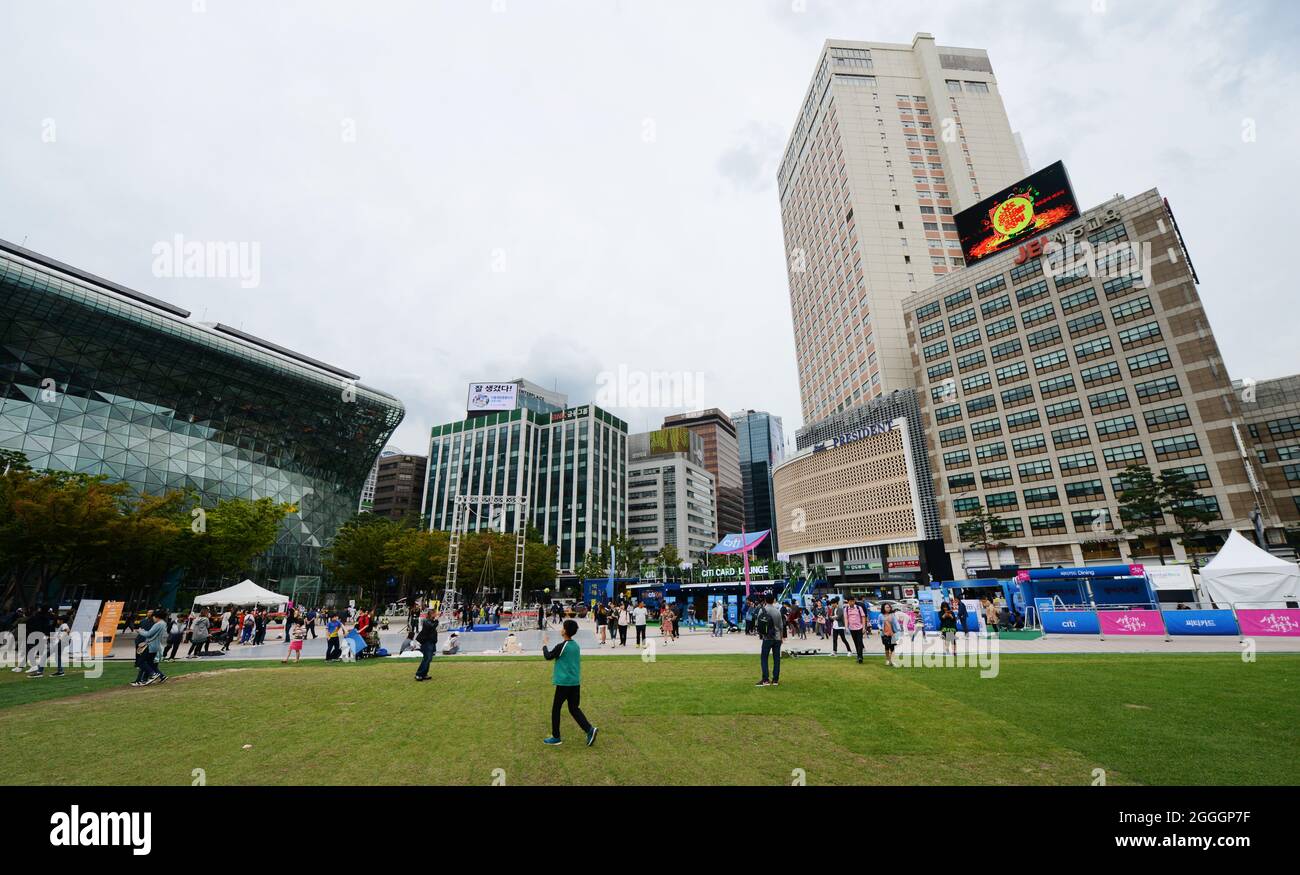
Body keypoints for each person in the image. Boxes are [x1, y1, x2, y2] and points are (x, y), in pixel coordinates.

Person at [541, 619, 597, 746]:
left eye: (562, 627)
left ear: (565, 631)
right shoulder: (575, 645)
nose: (561, 629)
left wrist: (544, 645)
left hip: (564, 684)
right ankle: (589, 730)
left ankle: (556, 737)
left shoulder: (562, 646)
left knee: (556, 709)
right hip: (575, 683)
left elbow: (548, 656)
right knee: (574, 708)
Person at [754, 593, 785, 687]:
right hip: (777, 637)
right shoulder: (777, 611)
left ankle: (765, 679)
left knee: (764, 658)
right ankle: (775, 680)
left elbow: (757, 623)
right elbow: (781, 626)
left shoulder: (762, 610)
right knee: (776, 659)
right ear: (774, 600)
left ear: (765, 600)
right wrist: (782, 637)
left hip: (767, 637)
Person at [132, 609, 169, 686]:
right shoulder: (163, 623)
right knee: (150, 663)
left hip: (151, 646)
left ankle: (153, 674)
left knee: (140, 662)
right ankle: (159, 676)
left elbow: (149, 634)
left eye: (153, 617)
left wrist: (140, 631)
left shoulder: (158, 624)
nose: (153, 619)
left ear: (156, 617)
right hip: (156, 646)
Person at [413, 610, 439, 681]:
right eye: (435, 613)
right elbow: (432, 626)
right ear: (431, 614)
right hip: (427, 642)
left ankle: (424, 674)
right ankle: (419, 674)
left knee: (428, 659)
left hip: (431, 642)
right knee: (427, 658)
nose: (436, 614)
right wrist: (436, 620)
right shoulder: (426, 621)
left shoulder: (430, 621)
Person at [844, 595, 867, 664]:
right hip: (851, 628)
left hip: (859, 628)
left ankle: (860, 657)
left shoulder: (858, 608)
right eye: (850, 601)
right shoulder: (846, 609)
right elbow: (846, 618)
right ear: (848, 602)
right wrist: (846, 627)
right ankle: (859, 656)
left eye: (853, 601)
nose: (852, 602)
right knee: (856, 642)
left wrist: (864, 627)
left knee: (860, 642)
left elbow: (863, 617)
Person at [879, 602, 901, 667]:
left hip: (892, 633)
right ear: (883, 608)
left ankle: (892, 661)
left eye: (889, 607)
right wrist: (880, 628)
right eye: (887, 607)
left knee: (892, 648)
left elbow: (896, 622)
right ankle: (887, 660)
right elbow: (879, 623)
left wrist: (899, 628)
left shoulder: (892, 615)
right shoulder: (880, 615)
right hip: (884, 634)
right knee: (886, 647)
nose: (888, 608)